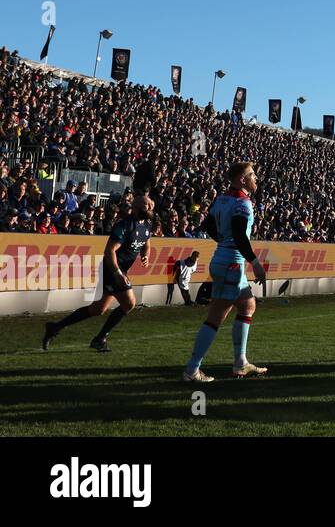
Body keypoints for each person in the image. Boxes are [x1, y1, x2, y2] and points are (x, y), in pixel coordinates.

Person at [43, 168, 156, 353]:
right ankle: (100, 339)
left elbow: (147, 242)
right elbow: (109, 251)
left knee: (98, 309)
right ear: (136, 209)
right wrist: (118, 273)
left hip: (119, 270)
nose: (150, 208)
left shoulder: (147, 224)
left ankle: (55, 327)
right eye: (147, 207)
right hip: (112, 269)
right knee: (129, 303)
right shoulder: (124, 225)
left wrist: (145, 255)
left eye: (150, 207)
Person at [182, 162, 269, 382]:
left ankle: (241, 362)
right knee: (216, 316)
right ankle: (192, 369)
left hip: (225, 259)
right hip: (231, 262)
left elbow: (209, 225)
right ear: (242, 179)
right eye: (252, 175)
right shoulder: (243, 203)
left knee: (248, 305)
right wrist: (255, 263)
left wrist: (223, 240)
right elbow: (240, 235)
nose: (256, 178)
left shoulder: (221, 199)